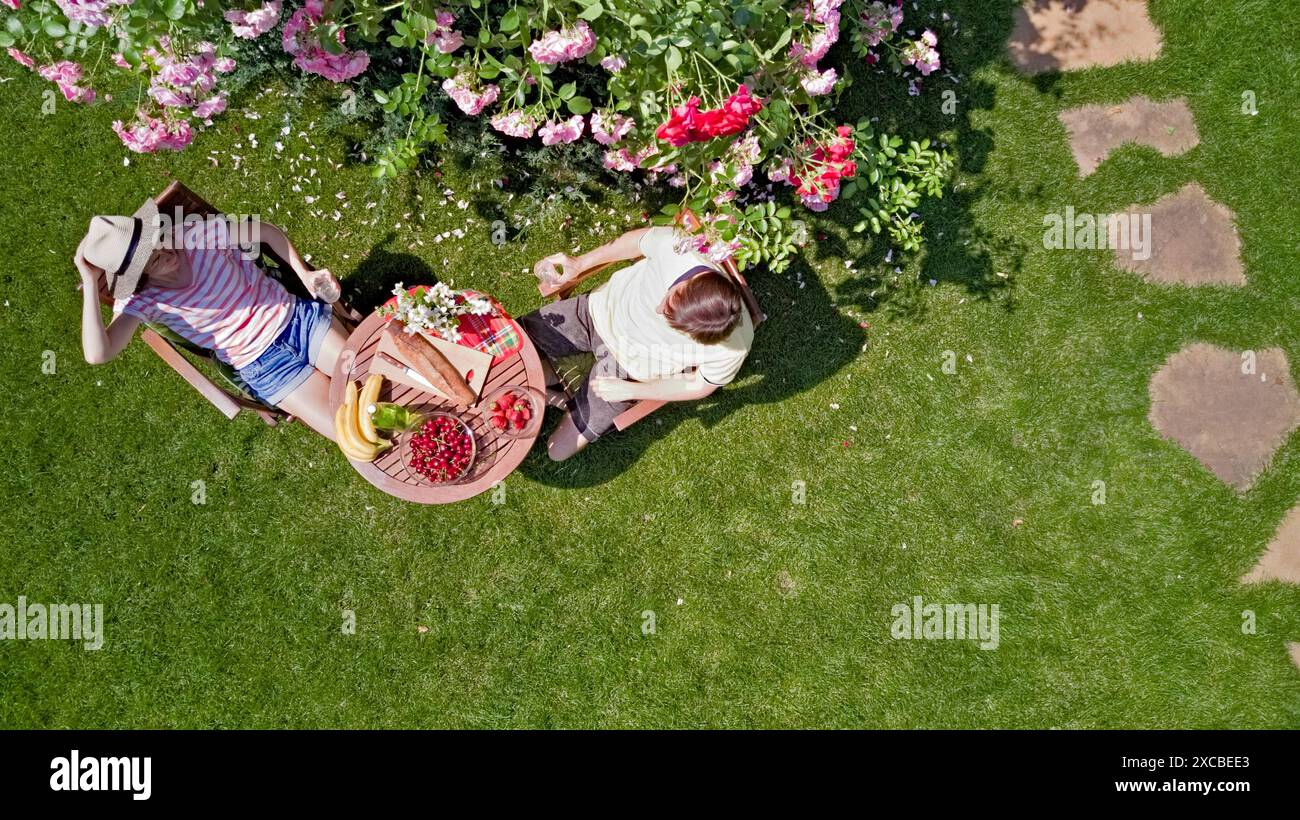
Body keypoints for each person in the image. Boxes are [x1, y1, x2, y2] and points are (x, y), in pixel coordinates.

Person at [76, 199, 349, 440]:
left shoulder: (196, 235)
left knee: (367, 371)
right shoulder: (140, 300)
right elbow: (98, 353)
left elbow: (265, 232)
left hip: (295, 319)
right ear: (137, 278)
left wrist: (303, 274)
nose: (166, 250)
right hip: (263, 366)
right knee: (351, 432)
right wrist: (90, 283)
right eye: (153, 259)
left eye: (158, 240)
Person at [520, 225, 754, 461]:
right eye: (669, 300)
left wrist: (633, 390)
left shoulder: (732, 347)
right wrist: (580, 263)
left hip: (622, 369)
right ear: (687, 282)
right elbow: (636, 242)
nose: (658, 309)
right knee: (511, 343)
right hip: (596, 312)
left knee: (557, 451)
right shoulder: (677, 249)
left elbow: (700, 385)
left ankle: (550, 388)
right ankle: (553, 392)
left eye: (670, 320)